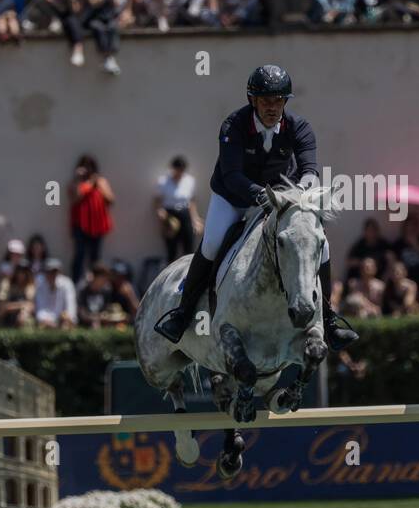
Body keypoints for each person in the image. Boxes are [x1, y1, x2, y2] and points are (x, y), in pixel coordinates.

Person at [152, 65, 358, 350]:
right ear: (253, 101)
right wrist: (262, 195)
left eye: (278, 101)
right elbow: (232, 175)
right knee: (211, 243)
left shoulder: (300, 127)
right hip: (233, 198)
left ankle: (328, 320)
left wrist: (304, 192)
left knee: (321, 248)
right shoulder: (233, 126)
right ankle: (183, 313)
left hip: (283, 201)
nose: (272, 108)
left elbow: (310, 169)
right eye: (265, 101)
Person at [69, 154, 115, 282]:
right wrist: (80, 180)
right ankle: (76, 282)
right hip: (81, 225)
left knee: (95, 258)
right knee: (79, 255)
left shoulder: (101, 181)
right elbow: (76, 199)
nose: (88, 169)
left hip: (97, 225)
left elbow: (111, 199)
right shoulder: (77, 182)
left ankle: (96, 283)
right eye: (85, 166)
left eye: (90, 166)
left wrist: (98, 186)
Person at [155, 155, 201, 263]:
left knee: (188, 246)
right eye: (177, 169)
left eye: (181, 170)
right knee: (172, 248)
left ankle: (188, 275)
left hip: (185, 214)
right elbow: (157, 200)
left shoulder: (189, 180)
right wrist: (160, 211)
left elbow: (191, 201)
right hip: (170, 215)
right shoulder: (163, 181)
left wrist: (195, 219)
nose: (179, 172)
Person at [34, 258, 77, 328]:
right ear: (45, 272)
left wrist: (67, 318)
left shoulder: (67, 283)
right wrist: (47, 321)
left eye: (55, 272)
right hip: (45, 321)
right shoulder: (39, 283)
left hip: (63, 321)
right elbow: (39, 308)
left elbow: (71, 308)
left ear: (59, 272)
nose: (52, 275)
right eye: (49, 272)